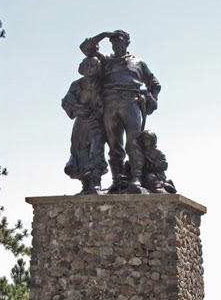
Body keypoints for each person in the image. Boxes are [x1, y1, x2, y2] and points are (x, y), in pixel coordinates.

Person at [80, 30, 160, 193]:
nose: (116, 44)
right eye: (113, 41)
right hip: (110, 104)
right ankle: (117, 180)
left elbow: (155, 83)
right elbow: (86, 48)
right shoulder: (106, 61)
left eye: (119, 41)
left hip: (131, 102)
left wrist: (152, 98)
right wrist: (105, 34)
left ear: (127, 43)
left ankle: (136, 177)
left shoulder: (138, 63)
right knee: (114, 145)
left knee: (134, 141)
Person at [61, 56, 107, 194]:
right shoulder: (77, 85)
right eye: (87, 66)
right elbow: (66, 101)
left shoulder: (103, 84)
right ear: (82, 68)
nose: (90, 69)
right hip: (81, 124)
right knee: (79, 151)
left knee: (96, 150)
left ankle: (96, 182)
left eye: (93, 66)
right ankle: (86, 185)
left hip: (98, 122)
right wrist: (78, 109)